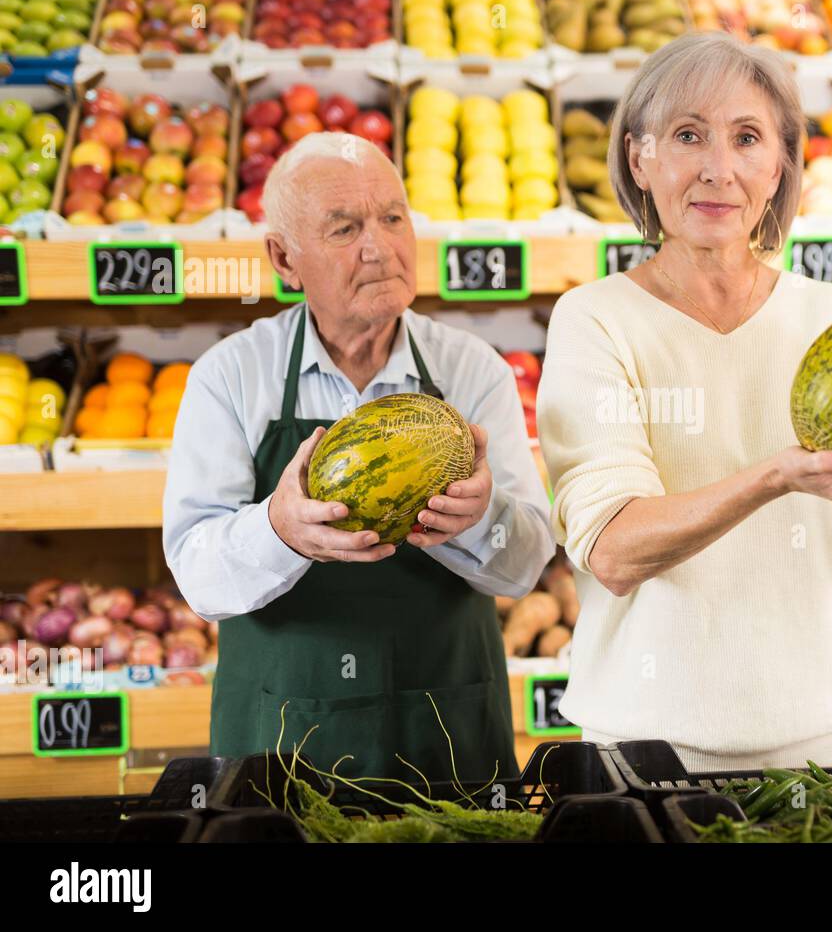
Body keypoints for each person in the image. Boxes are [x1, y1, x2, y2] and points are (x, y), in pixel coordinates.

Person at [536, 33, 832, 771]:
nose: (717, 169)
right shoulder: (596, 320)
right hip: (650, 749)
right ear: (640, 158)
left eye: (748, 138)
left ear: (781, 165)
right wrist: (777, 475)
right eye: (687, 135)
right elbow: (614, 551)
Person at [163, 132, 553, 781]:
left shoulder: (472, 372)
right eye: (345, 229)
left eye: (393, 218)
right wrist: (278, 530)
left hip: (447, 740)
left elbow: (528, 562)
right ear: (284, 259)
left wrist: (483, 517)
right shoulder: (230, 376)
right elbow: (197, 574)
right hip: (282, 747)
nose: (380, 247)